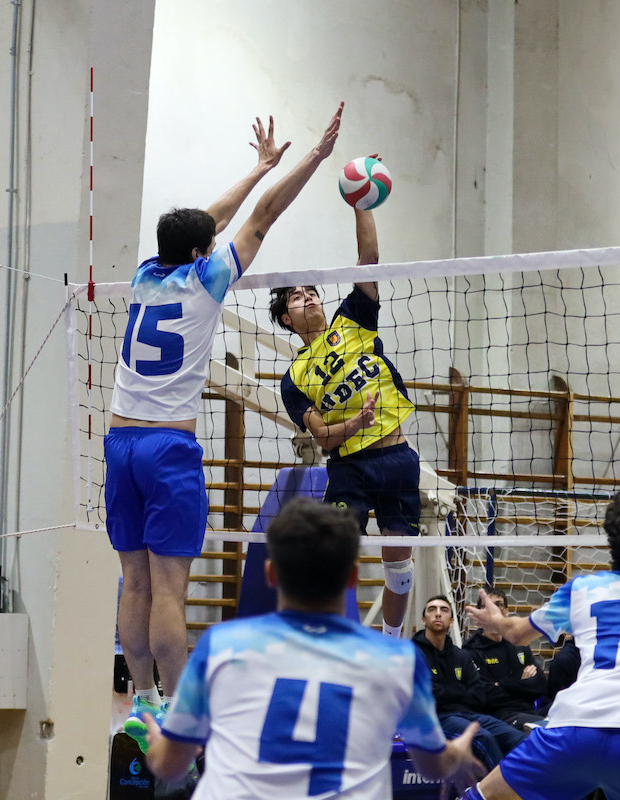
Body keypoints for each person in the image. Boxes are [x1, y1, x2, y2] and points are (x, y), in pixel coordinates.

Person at [106, 104, 344, 749]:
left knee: (134, 582)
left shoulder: (145, 275)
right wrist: (311, 158)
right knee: (170, 593)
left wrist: (258, 165)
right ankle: (184, 718)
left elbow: (207, 222)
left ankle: (142, 703)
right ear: (200, 253)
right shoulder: (207, 279)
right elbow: (261, 216)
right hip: (167, 448)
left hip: (119, 442)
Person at [140, 498, 484, 797]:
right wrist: (455, 755)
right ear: (353, 578)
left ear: (271, 574)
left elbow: (170, 767)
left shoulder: (221, 646)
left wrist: (156, 745)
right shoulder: (399, 660)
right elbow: (432, 765)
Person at [460, 489, 620, 800]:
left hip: (575, 728)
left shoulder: (584, 589)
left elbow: (518, 635)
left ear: (614, 543)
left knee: (484, 795)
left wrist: (496, 622)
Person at [271, 201, 418, 637]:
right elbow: (322, 437)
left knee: (400, 570)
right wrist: (355, 424)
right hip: (349, 468)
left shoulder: (352, 319)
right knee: (330, 560)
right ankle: (325, 638)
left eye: (311, 291)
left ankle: (390, 644)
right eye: (297, 296)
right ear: (287, 319)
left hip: (397, 459)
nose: (308, 296)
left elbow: (368, 258)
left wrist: (362, 205)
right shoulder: (294, 378)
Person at [411, 594, 527, 769]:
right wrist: (460, 691)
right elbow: (427, 696)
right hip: (434, 719)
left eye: (444, 610)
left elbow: (478, 694)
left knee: (517, 738)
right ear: (423, 620)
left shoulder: (461, 655)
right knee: (483, 738)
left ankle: (524, 784)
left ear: (452, 621)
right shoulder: (414, 653)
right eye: (432, 610)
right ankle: (499, 785)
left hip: (468, 715)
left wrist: (446, 692)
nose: (438, 613)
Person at [462, 589, 547, 731]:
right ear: (479, 616)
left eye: (498, 605)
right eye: (486, 606)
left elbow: (540, 685)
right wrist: (521, 683)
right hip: (496, 719)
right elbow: (484, 696)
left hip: (528, 713)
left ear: (507, 612)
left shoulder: (519, 643)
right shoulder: (470, 651)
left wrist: (501, 685)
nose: (493, 611)